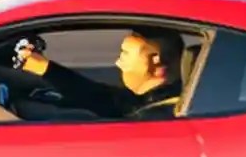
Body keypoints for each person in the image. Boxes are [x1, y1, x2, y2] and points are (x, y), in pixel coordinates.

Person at [15, 28, 186, 119]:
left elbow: (106, 101)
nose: (118, 63)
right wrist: (44, 68)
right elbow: (103, 98)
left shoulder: (156, 115)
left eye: (125, 55)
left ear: (155, 63)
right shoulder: (149, 102)